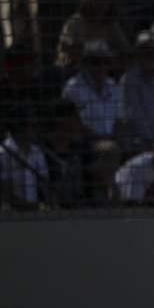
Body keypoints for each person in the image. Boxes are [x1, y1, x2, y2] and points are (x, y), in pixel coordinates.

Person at [60, 39, 124, 200]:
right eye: (96, 61)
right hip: (85, 140)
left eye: (105, 61)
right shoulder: (73, 87)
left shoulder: (112, 85)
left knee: (138, 147)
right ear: (86, 62)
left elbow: (119, 119)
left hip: (111, 138)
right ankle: (107, 196)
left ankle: (132, 197)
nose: (101, 66)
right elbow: (75, 123)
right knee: (110, 149)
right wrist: (102, 138)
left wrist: (118, 136)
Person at [0, 105, 47, 211]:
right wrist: (37, 207)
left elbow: (46, 184)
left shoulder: (36, 151)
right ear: (21, 128)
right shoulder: (2, 154)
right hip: (5, 218)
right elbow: (8, 197)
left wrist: (51, 205)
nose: (38, 129)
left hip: (33, 216)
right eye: (33, 126)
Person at [55, 0, 130, 70]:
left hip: (103, 69)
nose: (102, 4)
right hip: (73, 69)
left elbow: (124, 47)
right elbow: (75, 47)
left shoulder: (110, 24)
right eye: (97, 0)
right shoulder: (75, 22)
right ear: (88, 2)